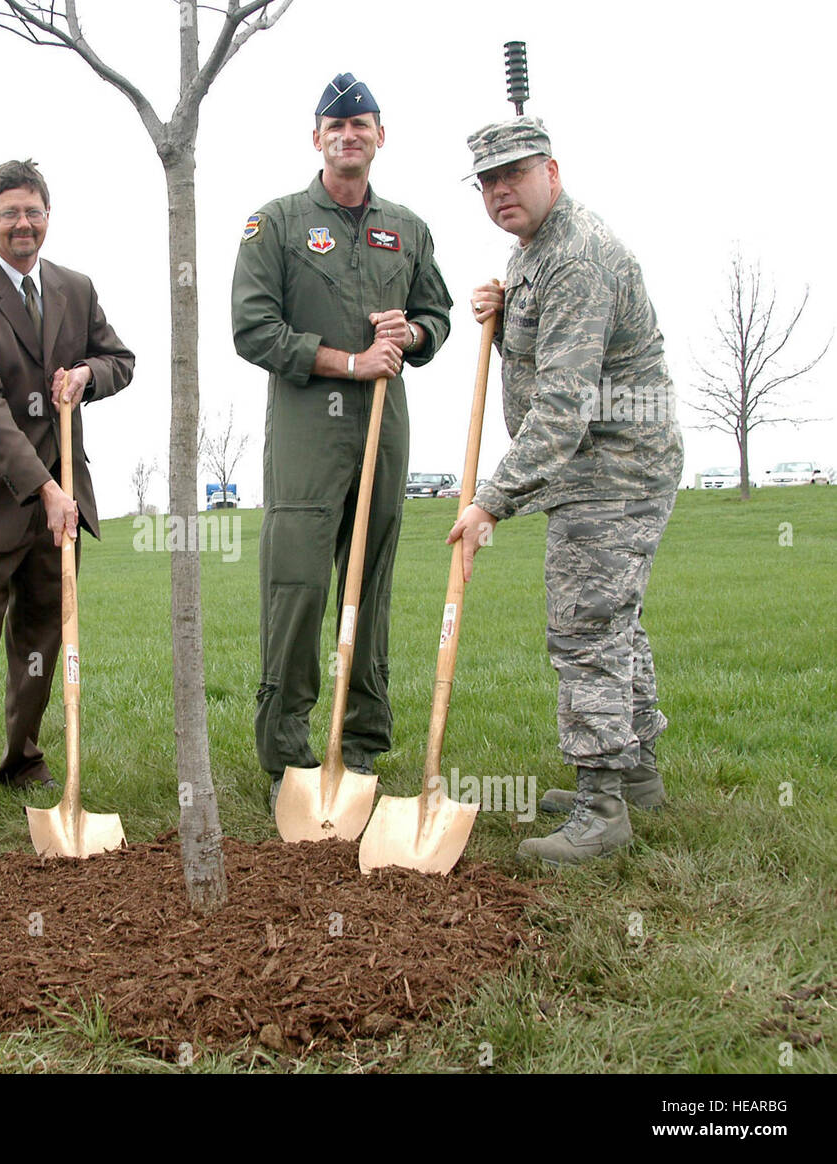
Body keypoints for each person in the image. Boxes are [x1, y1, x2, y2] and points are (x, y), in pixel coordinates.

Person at [449, 117, 684, 865]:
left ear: (552, 170)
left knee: (586, 627)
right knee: (617, 620)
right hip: (596, 467)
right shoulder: (536, 252)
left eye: (512, 174)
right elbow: (537, 336)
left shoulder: (578, 257)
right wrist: (505, 304)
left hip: (612, 469)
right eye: (486, 181)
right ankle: (636, 771)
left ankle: (602, 808)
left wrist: (491, 498)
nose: (499, 191)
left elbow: (563, 408)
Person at [231, 73, 452, 809]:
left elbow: (437, 315)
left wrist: (412, 332)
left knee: (372, 584)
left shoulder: (409, 229)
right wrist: (347, 360)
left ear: (380, 136)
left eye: (361, 124)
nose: (348, 134)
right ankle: (287, 754)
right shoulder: (278, 224)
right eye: (335, 125)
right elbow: (253, 329)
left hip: (385, 427)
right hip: (307, 429)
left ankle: (360, 745)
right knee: (297, 583)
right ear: (316, 137)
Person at [0, 159, 134, 832]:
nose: (24, 223)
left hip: (62, 497)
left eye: (34, 211)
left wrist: (86, 375)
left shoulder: (76, 289)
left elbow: (120, 360)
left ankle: (20, 757)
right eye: (10, 212)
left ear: (49, 217)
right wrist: (44, 489)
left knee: (43, 638)